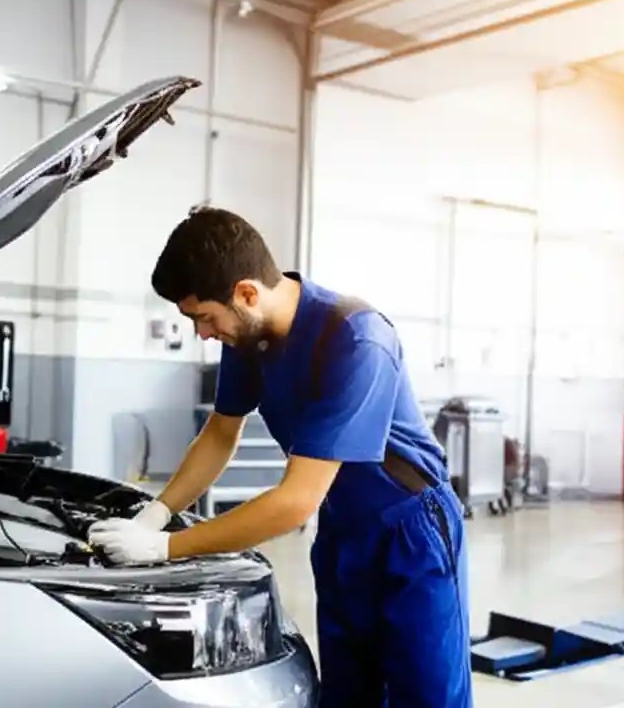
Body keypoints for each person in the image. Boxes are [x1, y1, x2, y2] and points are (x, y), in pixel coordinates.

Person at [88, 206, 472, 708]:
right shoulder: (250, 337)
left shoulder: (355, 339)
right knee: (346, 693)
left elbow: (295, 503)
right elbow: (219, 434)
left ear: (247, 292)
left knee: (425, 696)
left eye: (204, 317)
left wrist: (166, 549)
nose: (203, 334)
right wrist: (155, 515)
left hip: (411, 533)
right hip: (342, 532)